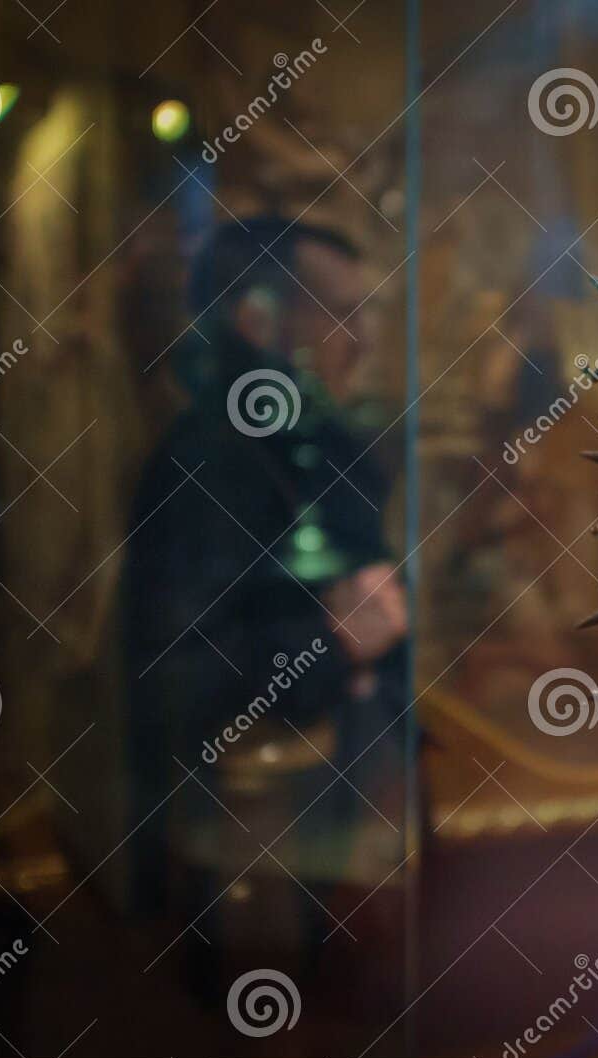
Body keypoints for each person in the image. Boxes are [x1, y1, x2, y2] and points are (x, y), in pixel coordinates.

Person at [124, 217, 406, 943]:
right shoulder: (210, 464)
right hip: (254, 861)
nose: (362, 339)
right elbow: (176, 681)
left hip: (332, 849)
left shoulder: (307, 446)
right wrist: (331, 641)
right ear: (258, 320)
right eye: (341, 311)